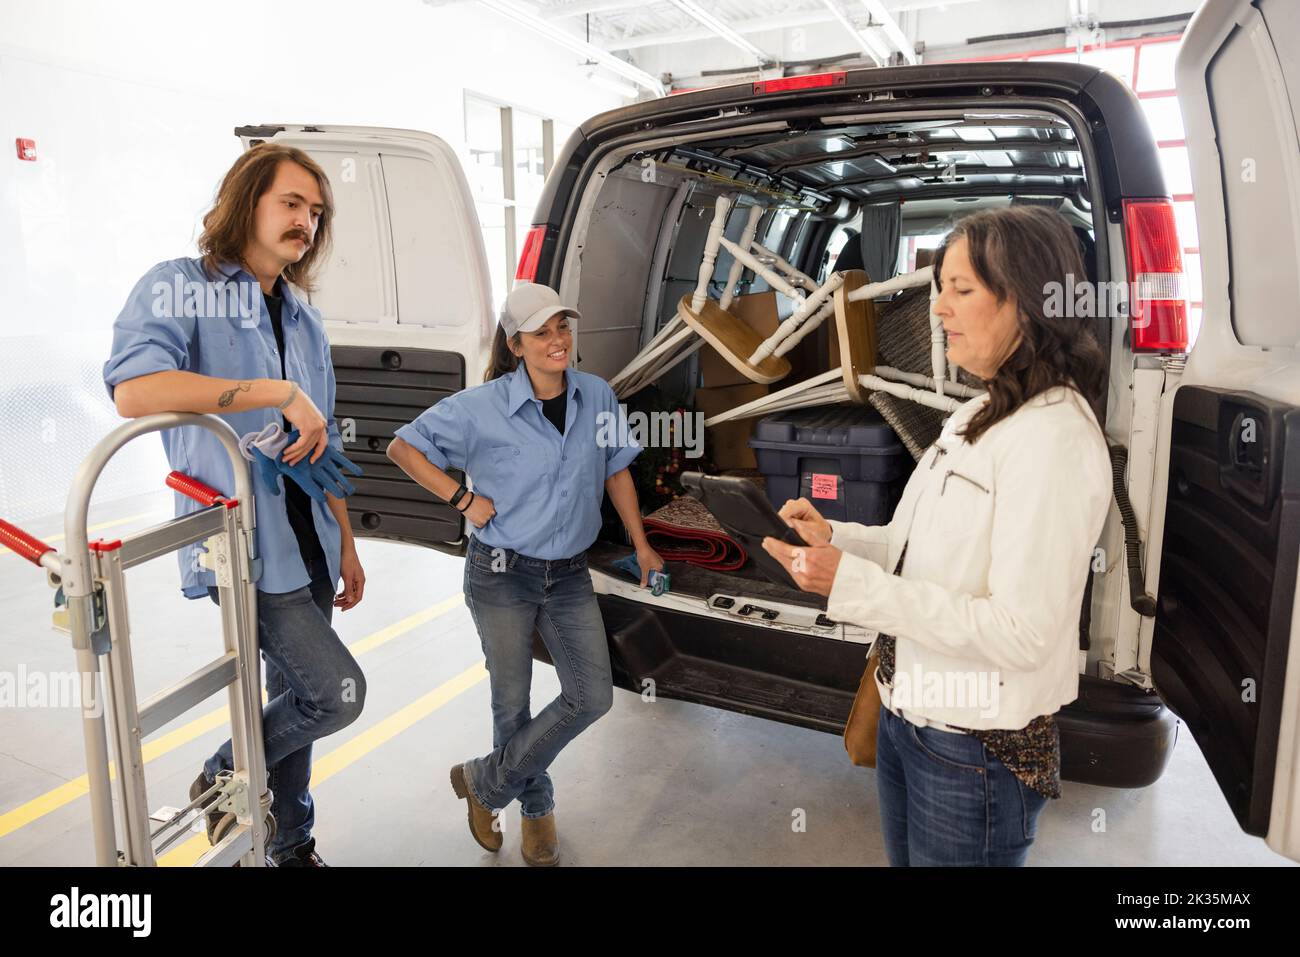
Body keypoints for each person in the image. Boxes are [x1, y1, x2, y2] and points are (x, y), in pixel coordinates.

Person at [762, 205, 1111, 866]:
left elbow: (1021, 631)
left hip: (972, 745)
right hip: (909, 714)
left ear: (1026, 303)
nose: (937, 309)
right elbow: (914, 548)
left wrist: (853, 584)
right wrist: (838, 537)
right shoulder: (982, 408)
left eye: (961, 289)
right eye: (939, 287)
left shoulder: (1053, 439)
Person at [103, 144, 367, 867]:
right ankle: (225, 773)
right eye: (291, 203)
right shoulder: (180, 286)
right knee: (337, 692)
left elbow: (326, 436)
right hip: (246, 542)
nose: (307, 222)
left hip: (309, 534)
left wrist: (346, 540)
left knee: (299, 703)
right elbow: (135, 390)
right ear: (245, 201)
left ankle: (292, 843)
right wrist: (274, 393)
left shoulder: (303, 320)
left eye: (316, 212)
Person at [387, 282, 664, 866]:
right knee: (510, 706)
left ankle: (484, 783)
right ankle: (536, 811)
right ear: (516, 344)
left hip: (567, 575)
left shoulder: (597, 396)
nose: (558, 340)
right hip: (500, 574)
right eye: (542, 332)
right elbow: (403, 448)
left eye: (563, 327)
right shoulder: (480, 407)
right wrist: (462, 499)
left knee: (591, 697)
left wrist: (641, 543)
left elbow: (617, 472)